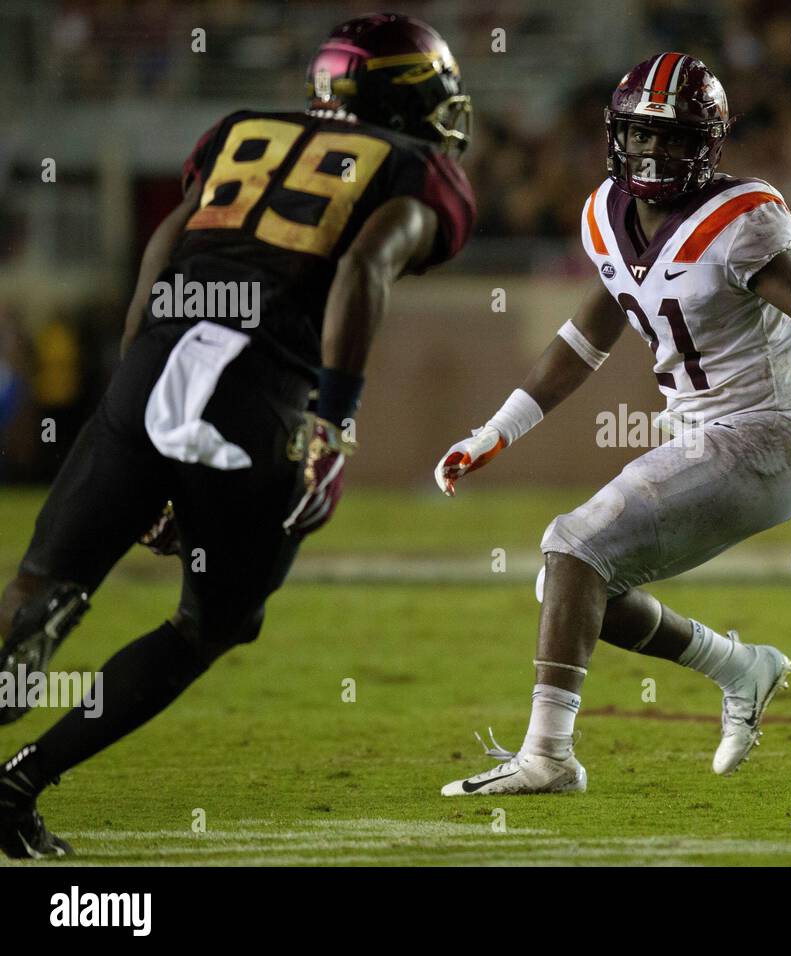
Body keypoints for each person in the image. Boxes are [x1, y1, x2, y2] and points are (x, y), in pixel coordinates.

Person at [0, 13, 475, 857]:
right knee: (210, 625)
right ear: (401, 98)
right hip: (255, 401)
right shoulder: (416, 166)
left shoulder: (238, 131)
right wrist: (334, 422)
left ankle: (26, 664)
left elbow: (169, 235)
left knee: (40, 591)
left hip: (152, 367)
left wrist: (133, 387)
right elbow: (364, 265)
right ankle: (19, 783)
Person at [436, 53, 791, 797]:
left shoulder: (739, 221)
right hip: (701, 436)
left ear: (708, 143)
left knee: (574, 545)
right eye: (640, 134)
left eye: (673, 137)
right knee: (568, 582)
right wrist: (496, 431)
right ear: (616, 134)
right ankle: (740, 668)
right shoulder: (605, 215)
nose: (653, 152)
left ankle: (549, 758)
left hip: (766, 439)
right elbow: (585, 338)